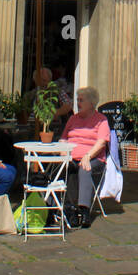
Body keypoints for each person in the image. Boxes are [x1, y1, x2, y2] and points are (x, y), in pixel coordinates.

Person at [58, 87, 110, 228]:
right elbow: (63, 138)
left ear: (92, 103)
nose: (78, 103)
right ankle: (70, 209)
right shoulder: (73, 118)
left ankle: (84, 210)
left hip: (94, 158)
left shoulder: (101, 120)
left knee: (84, 168)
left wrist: (87, 156)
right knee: (63, 168)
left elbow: (102, 142)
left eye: (81, 100)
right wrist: (63, 151)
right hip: (72, 157)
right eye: (77, 100)